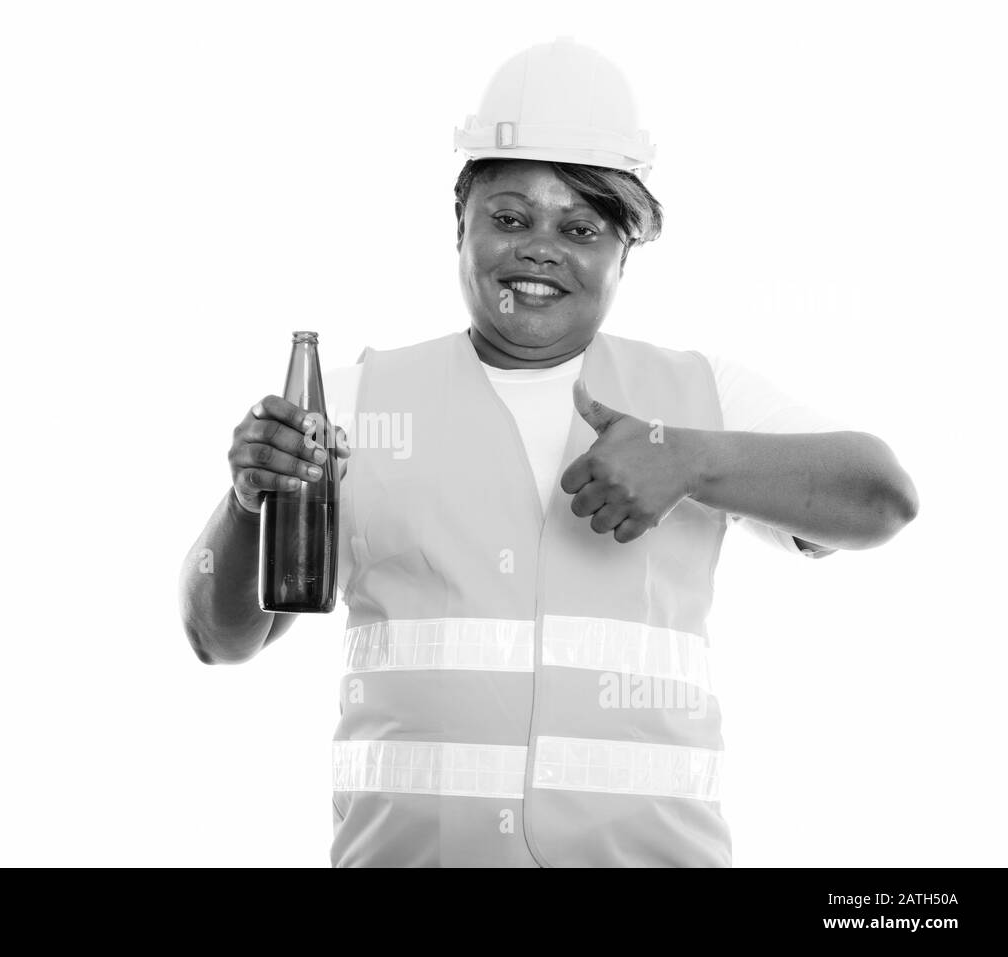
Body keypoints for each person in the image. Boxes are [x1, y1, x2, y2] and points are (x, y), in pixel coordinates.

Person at [178, 38, 918, 867]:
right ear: (458, 223)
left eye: (581, 227)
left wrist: (692, 461)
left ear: (623, 253)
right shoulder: (348, 405)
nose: (540, 248)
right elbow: (219, 639)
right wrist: (248, 503)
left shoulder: (701, 394)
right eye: (509, 217)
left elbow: (883, 497)